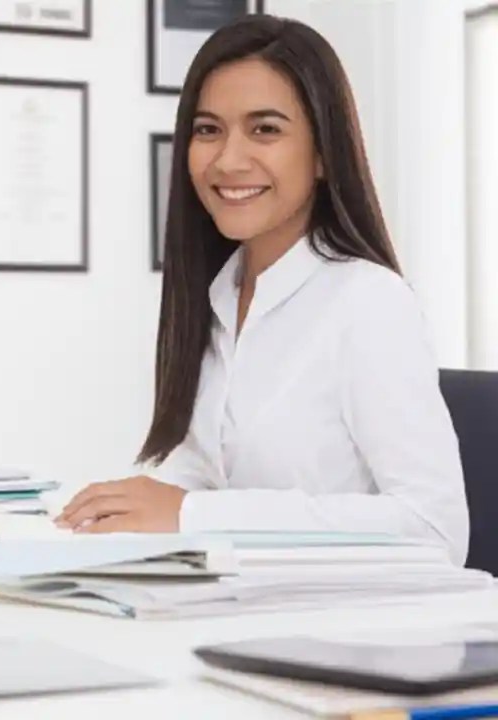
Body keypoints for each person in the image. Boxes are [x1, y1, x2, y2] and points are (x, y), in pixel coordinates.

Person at [55, 15, 469, 564]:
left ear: (324, 153)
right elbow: (200, 480)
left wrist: (188, 515)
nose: (228, 159)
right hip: (235, 609)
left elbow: (434, 527)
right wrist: (116, 514)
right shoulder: (220, 298)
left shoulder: (368, 302)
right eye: (208, 130)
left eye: (265, 129)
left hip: (346, 634)